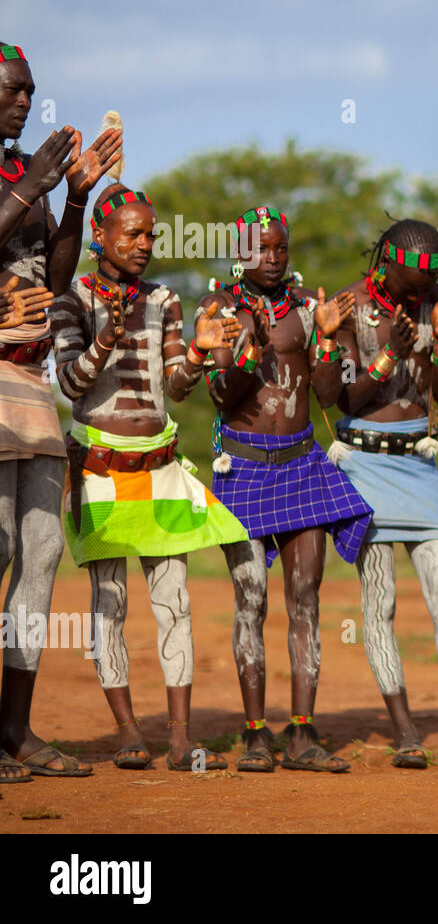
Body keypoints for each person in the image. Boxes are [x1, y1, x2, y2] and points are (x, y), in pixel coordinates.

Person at [52, 182, 247, 770]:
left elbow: (179, 390)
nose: (144, 244)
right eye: (133, 234)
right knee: (108, 604)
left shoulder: (163, 299)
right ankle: (130, 732)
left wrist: (197, 356)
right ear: (101, 237)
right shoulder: (71, 300)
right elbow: (69, 385)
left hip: (159, 466)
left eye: (150, 234)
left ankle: (180, 737)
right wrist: (107, 335)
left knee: (175, 604)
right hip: (99, 472)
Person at [199, 205, 371, 772]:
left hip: (301, 464)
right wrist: (246, 351)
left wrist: (324, 338)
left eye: (280, 248)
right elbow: (223, 394)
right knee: (251, 601)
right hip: (244, 468)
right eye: (260, 248)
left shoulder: (304, 310)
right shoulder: (218, 309)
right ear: (241, 250)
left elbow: (325, 395)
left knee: (306, 600)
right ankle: (254, 734)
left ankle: (302, 734)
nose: (271, 258)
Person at [0, 43, 121, 780]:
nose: (23, 102)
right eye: (11, 91)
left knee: (41, 555)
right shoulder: (19, 180)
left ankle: (16, 730)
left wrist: (73, 195)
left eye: (29, 92)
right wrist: (28, 188)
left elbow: (58, 272)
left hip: (30, 375)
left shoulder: (26, 177)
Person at [331, 218, 438, 771]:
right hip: (364, 466)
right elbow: (344, 398)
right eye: (413, 280)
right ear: (387, 263)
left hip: (419, 467)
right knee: (380, 602)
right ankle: (405, 733)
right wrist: (388, 355)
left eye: (430, 280)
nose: (423, 290)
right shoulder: (348, 306)